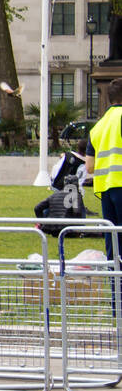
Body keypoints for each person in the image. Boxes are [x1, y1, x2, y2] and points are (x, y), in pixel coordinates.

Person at [85, 79, 122, 263]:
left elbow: (89, 166)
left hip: (106, 191)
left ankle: (116, 291)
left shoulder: (98, 126)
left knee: (113, 243)